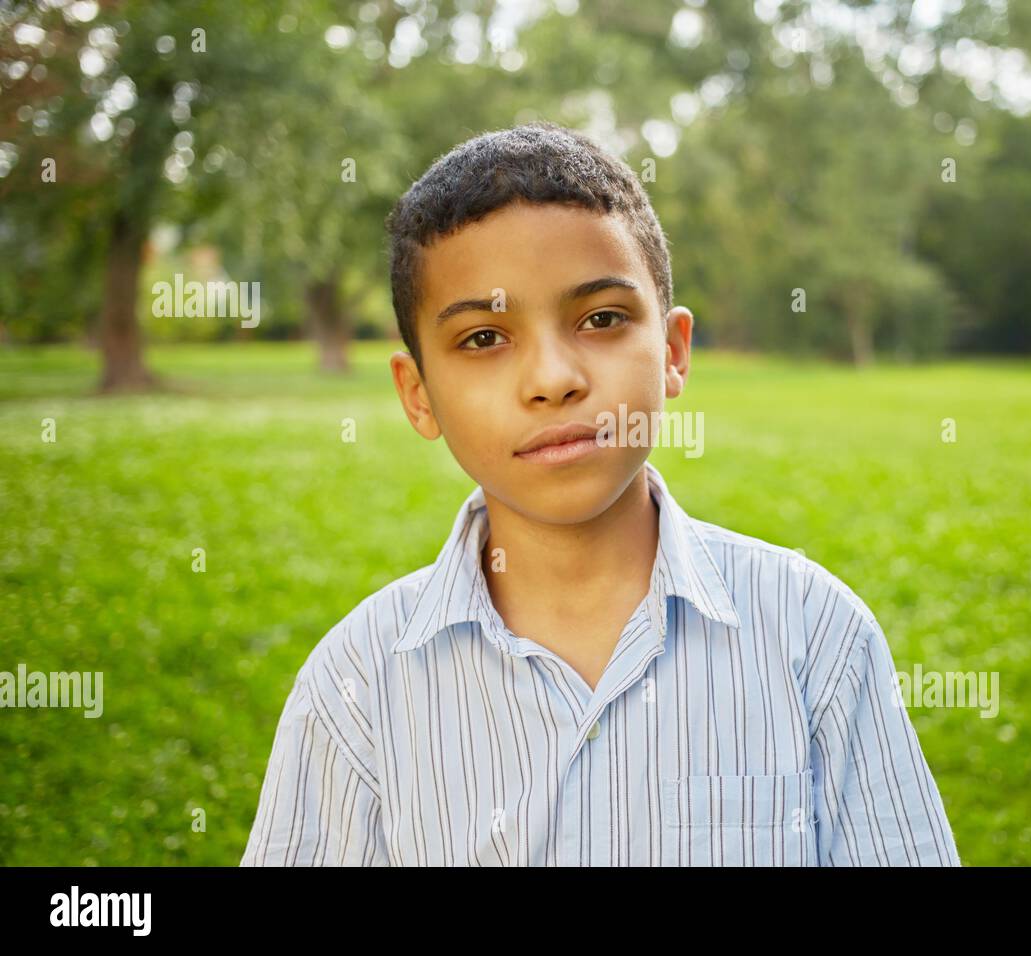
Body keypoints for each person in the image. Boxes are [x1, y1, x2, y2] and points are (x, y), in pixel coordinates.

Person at [240, 121, 960, 866]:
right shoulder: (357, 684)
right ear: (417, 395)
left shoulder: (814, 636)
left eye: (601, 319)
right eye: (484, 338)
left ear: (674, 352)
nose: (553, 378)